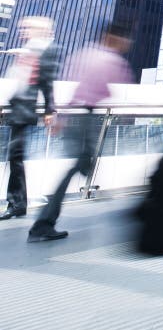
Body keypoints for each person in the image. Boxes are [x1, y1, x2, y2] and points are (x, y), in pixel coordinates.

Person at [28, 23, 133, 242]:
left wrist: (62, 117)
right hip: (85, 118)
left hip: (75, 115)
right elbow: (122, 86)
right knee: (80, 164)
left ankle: (48, 218)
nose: (128, 43)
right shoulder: (111, 60)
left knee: (82, 163)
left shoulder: (84, 53)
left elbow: (75, 87)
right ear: (113, 38)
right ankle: (44, 223)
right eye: (125, 39)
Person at [0, 17, 59, 221]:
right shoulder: (30, 49)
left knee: (15, 158)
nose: (23, 31)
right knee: (15, 158)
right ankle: (17, 204)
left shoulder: (46, 50)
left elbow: (47, 81)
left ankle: (16, 204)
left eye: (27, 28)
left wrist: (50, 110)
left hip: (25, 110)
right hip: (18, 108)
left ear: (39, 30)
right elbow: (22, 80)